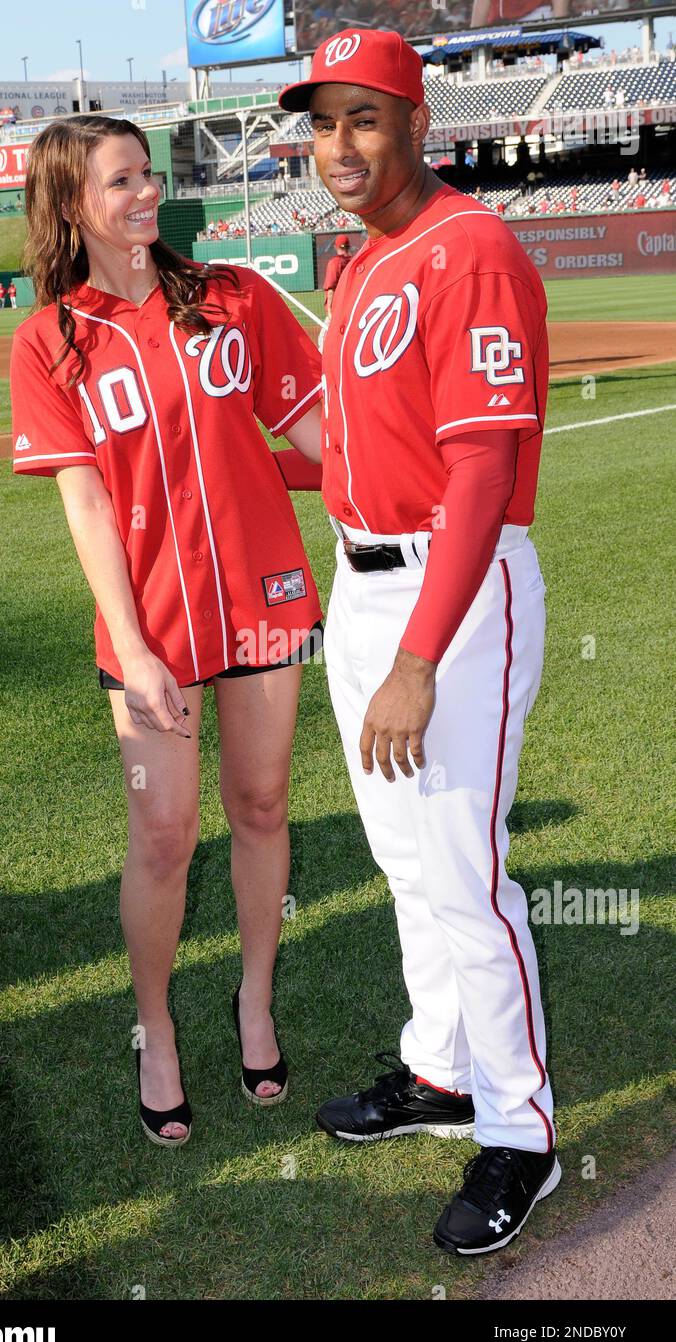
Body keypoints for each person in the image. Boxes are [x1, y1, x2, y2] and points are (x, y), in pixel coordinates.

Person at [279, 26, 558, 1257]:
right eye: (322, 122)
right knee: (406, 861)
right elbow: (351, 461)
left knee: (463, 870)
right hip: (363, 582)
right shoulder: (361, 262)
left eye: (364, 118)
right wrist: (257, 456)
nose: (338, 146)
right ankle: (439, 1073)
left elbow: (482, 470)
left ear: (418, 123)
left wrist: (416, 658)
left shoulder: (471, 249)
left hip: (451, 592)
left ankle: (522, 1133)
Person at [9, 115, 325, 1148]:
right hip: (148, 622)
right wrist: (133, 643)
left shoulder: (231, 296)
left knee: (264, 803)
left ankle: (255, 1000)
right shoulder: (51, 337)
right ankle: (156, 1029)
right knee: (163, 835)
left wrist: (417, 493)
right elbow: (87, 503)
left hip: (263, 598)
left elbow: (317, 430)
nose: (147, 194)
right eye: (121, 181)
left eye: (150, 175)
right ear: (69, 205)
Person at [319, 233, 353, 348]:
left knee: (323, 343)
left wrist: (329, 311)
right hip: (351, 309)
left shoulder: (335, 262)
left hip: (337, 309)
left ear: (335, 247)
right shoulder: (354, 260)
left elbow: (330, 289)